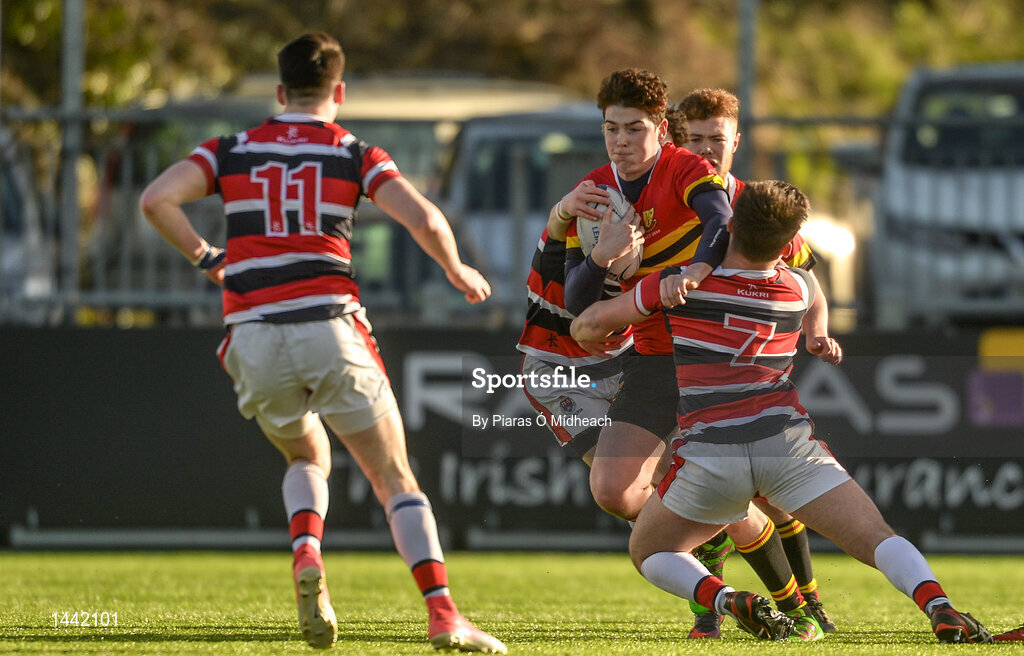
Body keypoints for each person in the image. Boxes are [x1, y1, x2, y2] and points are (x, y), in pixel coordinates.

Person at [139, 32, 506, 654]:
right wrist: (457, 269)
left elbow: (156, 199)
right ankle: (444, 614)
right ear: (339, 92)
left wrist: (209, 258)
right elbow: (422, 216)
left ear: (278, 92)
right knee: (395, 480)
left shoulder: (233, 149)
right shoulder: (351, 150)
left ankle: (307, 552)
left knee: (307, 457)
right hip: (328, 326)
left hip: (252, 333)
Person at [570, 179, 994, 644]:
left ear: (728, 226)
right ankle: (939, 605)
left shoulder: (684, 286)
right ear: (789, 243)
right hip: (787, 447)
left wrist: (645, 287)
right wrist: (817, 334)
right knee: (877, 537)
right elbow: (814, 289)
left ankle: (728, 599)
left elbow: (587, 326)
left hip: (713, 455)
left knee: (648, 550)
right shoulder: (795, 289)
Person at [560, 69, 824, 640]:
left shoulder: (712, 186)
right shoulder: (597, 190)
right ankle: (729, 593)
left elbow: (798, 267)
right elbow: (574, 298)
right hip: (656, 357)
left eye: (634, 128)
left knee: (760, 490)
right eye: (611, 128)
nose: (620, 140)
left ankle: (799, 605)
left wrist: (812, 327)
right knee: (617, 490)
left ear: (662, 130)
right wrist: (603, 257)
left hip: (722, 355)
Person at [678, 87, 834, 635]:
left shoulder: (757, 209)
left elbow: (810, 276)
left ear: (735, 141)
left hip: (752, 374)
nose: (704, 149)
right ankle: (709, 609)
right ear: (678, 137)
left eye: (715, 139)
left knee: (773, 494)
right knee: (707, 492)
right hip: (677, 371)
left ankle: (807, 602)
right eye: (693, 138)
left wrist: (817, 330)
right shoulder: (675, 201)